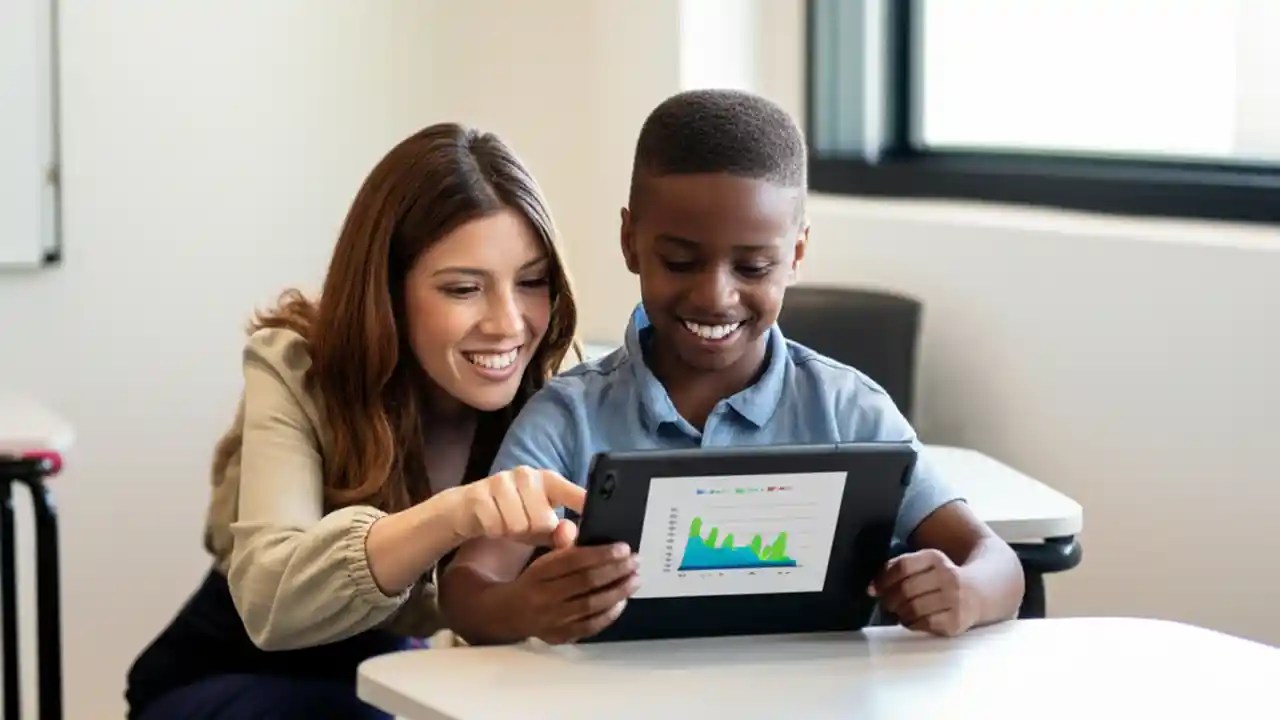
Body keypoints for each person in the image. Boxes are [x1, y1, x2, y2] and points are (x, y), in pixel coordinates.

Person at [438, 89, 1025, 645]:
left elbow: (998, 563)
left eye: (752, 268)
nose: (716, 296)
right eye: (680, 261)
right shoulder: (567, 418)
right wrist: (523, 607)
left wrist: (965, 592)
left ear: (795, 255)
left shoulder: (850, 409)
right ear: (630, 242)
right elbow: (467, 589)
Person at [124, 123, 585, 719]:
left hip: (389, 674)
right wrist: (452, 514)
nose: (509, 323)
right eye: (464, 288)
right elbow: (272, 600)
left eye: (531, 282)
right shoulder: (296, 368)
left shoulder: (559, 379)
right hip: (230, 672)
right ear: (388, 292)